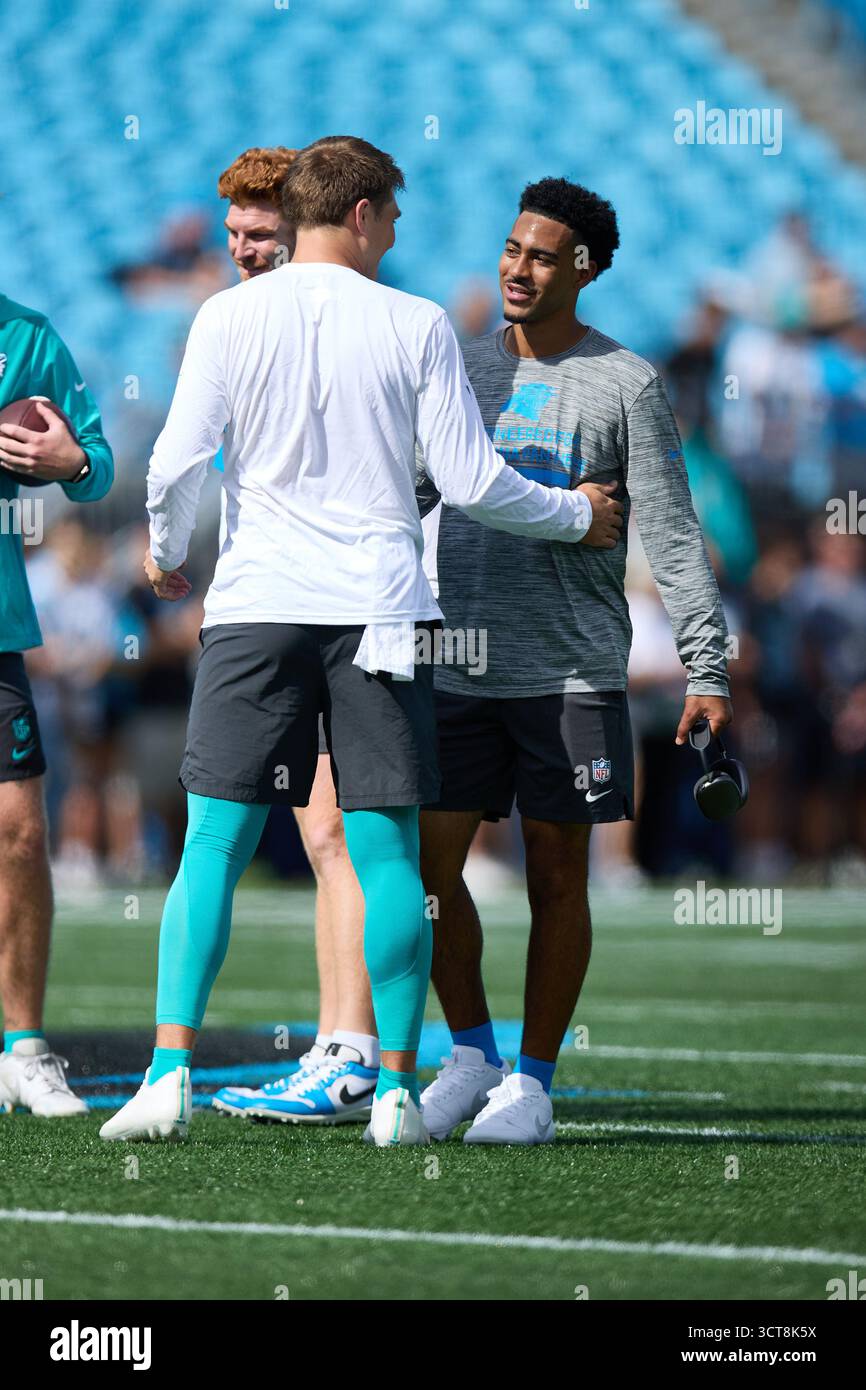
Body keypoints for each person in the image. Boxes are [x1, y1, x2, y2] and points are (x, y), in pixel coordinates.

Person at [99, 137, 621, 1147]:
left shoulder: (225, 313)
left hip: (256, 603)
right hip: (382, 607)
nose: (396, 232)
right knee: (384, 851)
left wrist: (166, 553)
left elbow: (174, 464)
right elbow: (469, 484)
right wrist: (572, 515)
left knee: (212, 843)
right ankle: (390, 1090)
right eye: (394, 216)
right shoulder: (416, 321)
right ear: (367, 210)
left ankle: (167, 1076)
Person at [417, 178, 732, 1144]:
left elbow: (673, 532)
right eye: (512, 249)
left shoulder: (628, 381)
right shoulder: (459, 368)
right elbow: (400, 493)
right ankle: (472, 1054)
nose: (518, 267)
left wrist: (707, 668)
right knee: (428, 875)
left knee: (558, 877)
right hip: (455, 662)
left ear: (584, 268)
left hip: (571, 670)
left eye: (543, 255)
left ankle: (535, 1084)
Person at [212, 146, 379, 1125]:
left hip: (350, 607)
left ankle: (356, 1050)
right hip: (295, 605)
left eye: (260, 235)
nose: (243, 250)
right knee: (326, 832)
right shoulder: (255, 319)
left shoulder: (343, 321)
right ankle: (342, 1044)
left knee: (348, 836)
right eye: (233, 233)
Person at [0, 293, 114, 1116]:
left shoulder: (27, 335)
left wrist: (69, 462)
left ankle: (24, 1050)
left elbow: (97, 463)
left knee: (20, 829)